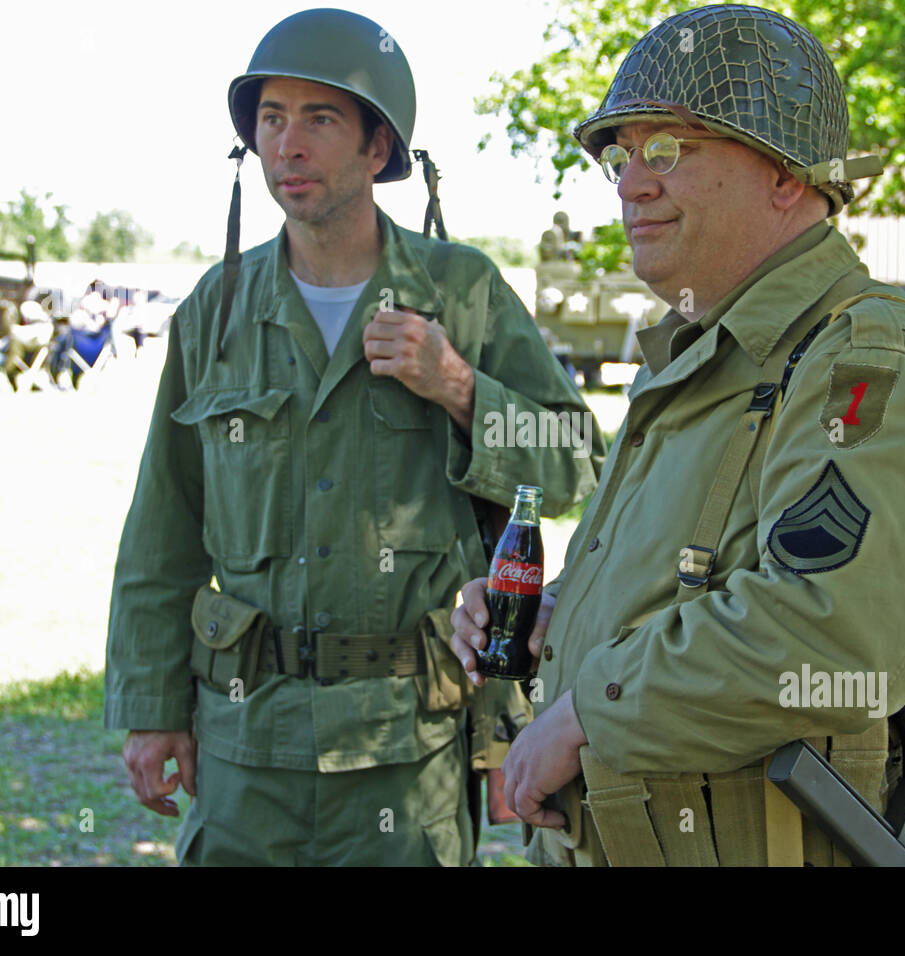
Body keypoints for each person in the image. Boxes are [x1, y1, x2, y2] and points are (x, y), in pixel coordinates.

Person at [450, 4, 905, 867]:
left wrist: (587, 712)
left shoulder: (869, 366)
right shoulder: (704, 362)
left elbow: (832, 626)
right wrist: (559, 614)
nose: (629, 183)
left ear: (786, 175)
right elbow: (701, 582)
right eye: (620, 156)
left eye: (668, 150)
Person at [104, 8, 602, 866]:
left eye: (319, 118)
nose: (287, 145)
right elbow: (164, 526)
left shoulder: (464, 292)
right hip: (244, 747)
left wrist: (457, 385)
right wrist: (152, 708)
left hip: (405, 757)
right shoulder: (214, 313)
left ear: (379, 149)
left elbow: (575, 465)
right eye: (271, 119)